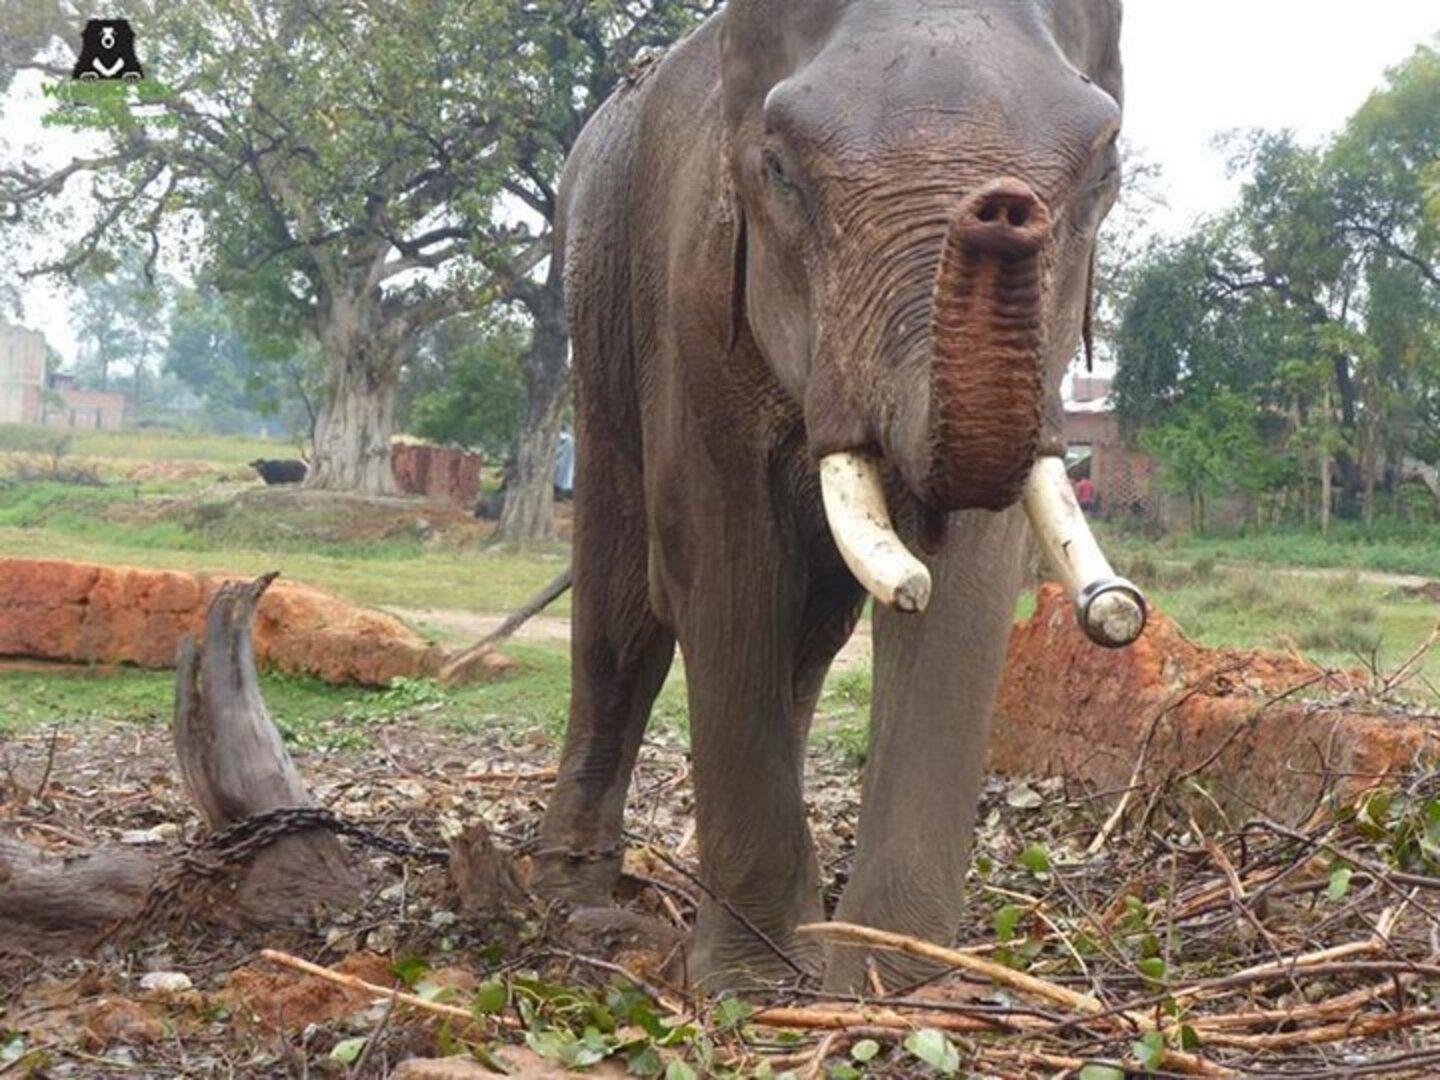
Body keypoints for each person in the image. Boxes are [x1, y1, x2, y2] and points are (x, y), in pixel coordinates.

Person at [553, 430, 575, 501]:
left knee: (563, 478)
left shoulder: (566, 439)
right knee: (564, 478)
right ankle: (561, 494)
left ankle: (560, 495)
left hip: (565, 461)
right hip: (565, 462)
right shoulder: (569, 439)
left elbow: (558, 450)